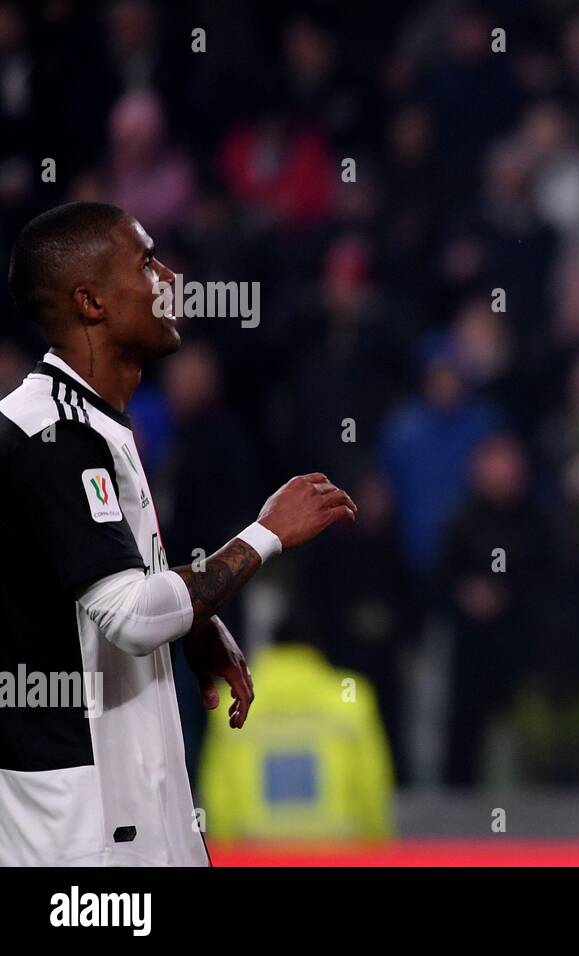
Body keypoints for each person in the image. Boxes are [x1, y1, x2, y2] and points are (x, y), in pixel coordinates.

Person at [0, 201, 355, 865]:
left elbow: (85, 582)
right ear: (91, 301)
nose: (170, 278)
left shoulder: (93, 423)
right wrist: (265, 535)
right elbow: (131, 615)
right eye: (146, 262)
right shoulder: (53, 435)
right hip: (81, 833)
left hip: (128, 807)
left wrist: (191, 624)